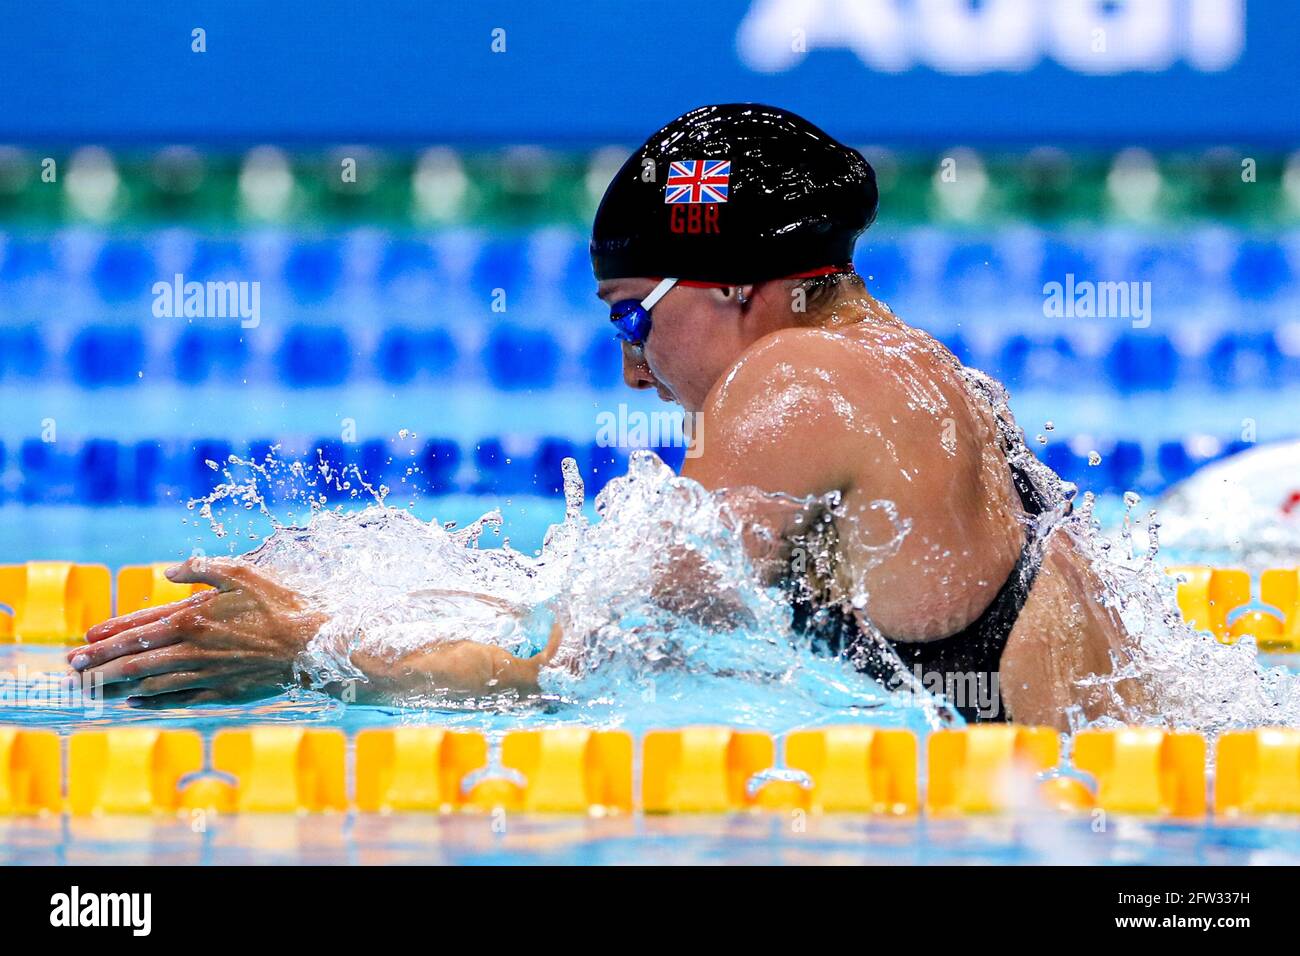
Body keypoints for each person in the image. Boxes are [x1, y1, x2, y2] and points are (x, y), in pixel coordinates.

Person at [71, 104, 1136, 729]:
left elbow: (599, 661)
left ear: (729, 287)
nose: (633, 374)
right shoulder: (933, 378)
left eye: (631, 320)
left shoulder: (795, 381)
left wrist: (313, 646)